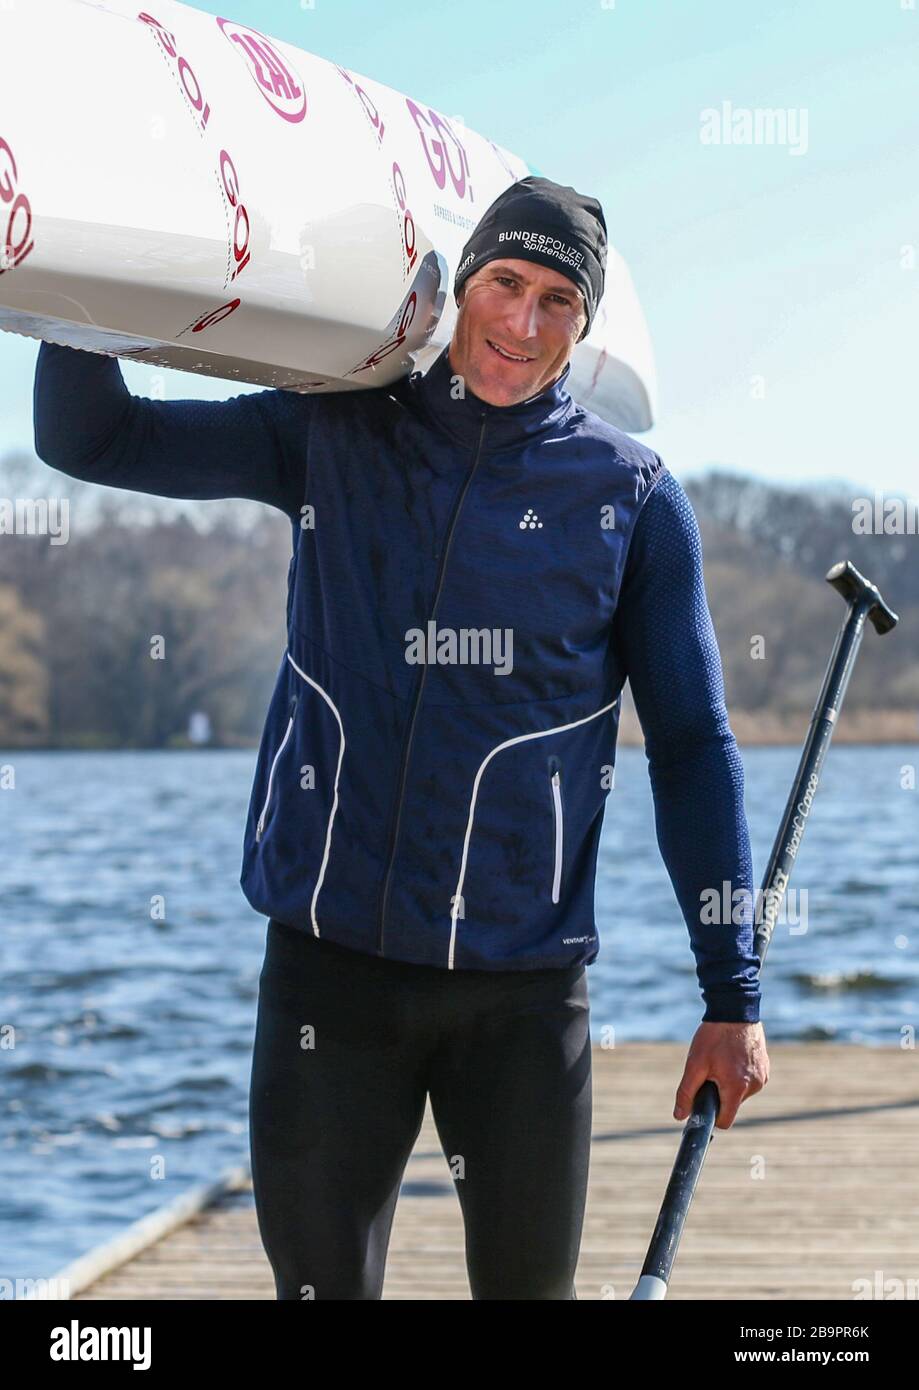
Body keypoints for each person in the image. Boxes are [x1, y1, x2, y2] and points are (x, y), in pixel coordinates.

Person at [33, 176, 768, 1301]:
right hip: (333, 978)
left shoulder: (629, 500)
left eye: (558, 301)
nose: (523, 324)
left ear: (585, 326)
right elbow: (93, 437)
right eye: (505, 284)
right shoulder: (333, 430)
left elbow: (692, 748)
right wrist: (77, 266)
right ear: (460, 285)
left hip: (521, 1001)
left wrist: (732, 994)